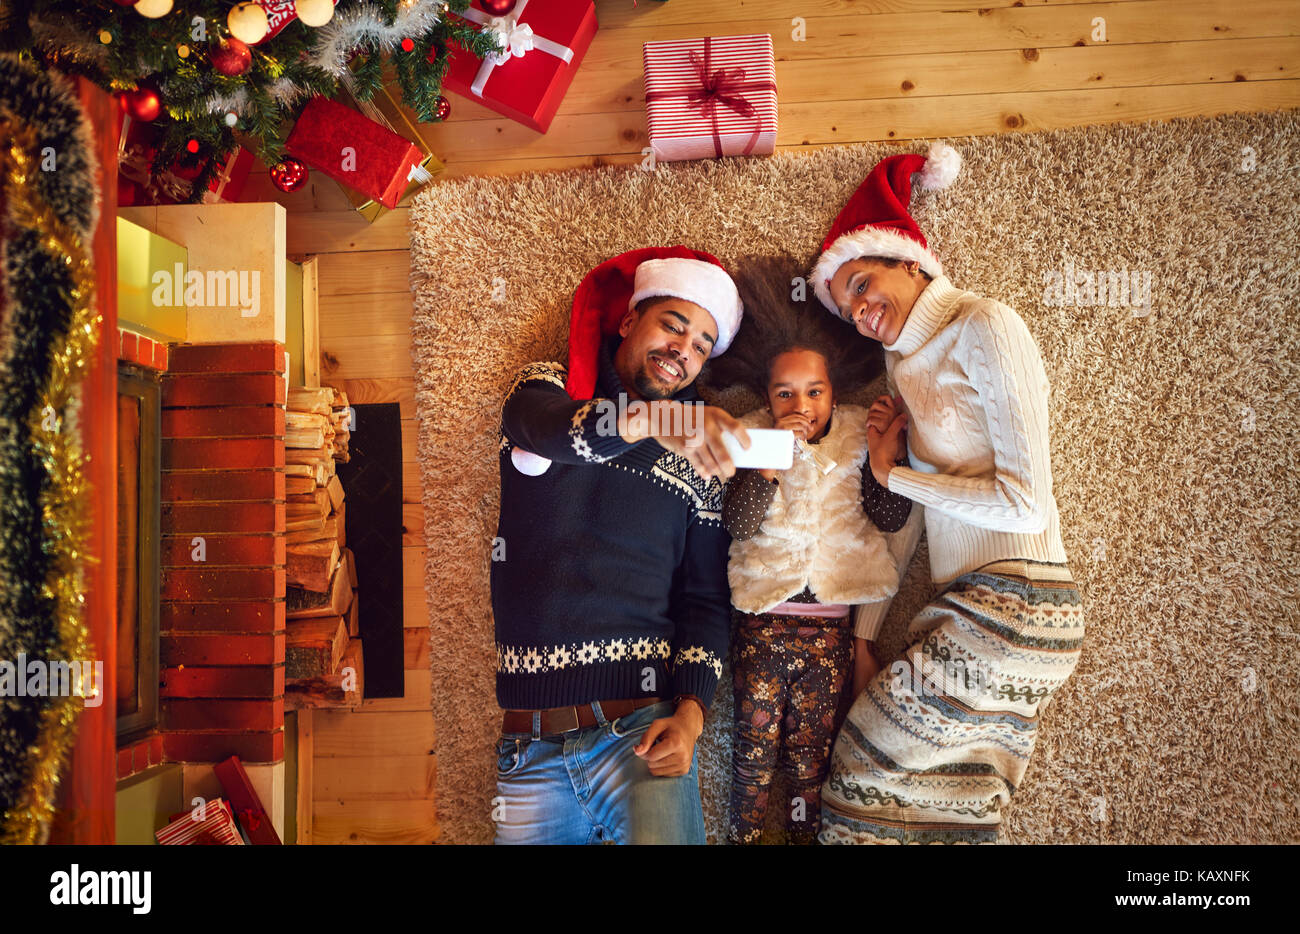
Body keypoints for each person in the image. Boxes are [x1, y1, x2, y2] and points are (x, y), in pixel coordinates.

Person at [810, 143, 1087, 844]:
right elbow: (915, 519)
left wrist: (895, 474)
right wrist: (864, 637)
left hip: (1018, 602)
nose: (862, 310)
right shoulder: (904, 376)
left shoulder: (985, 325)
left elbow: (1025, 502)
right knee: (957, 813)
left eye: (865, 283)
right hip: (967, 607)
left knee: (857, 776)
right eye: (849, 308)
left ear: (912, 261)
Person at [490, 246, 750, 845]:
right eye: (673, 326)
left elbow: (705, 601)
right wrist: (664, 421)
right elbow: (545, 429)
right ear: (630, 321)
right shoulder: (550, 387)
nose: (684, 351)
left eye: (702, 346)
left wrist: (692, 714)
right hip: (528, 746)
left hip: (641, 732)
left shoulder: (697, 461)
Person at [703, 257, 924, 844]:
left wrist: (882, 463)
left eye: (815, 391)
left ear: (835, 391)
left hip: (830, 629)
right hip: (763, 622)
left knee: (812, 761)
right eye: (785, 392)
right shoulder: (754, 435)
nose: (801, 404)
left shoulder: (858, 432)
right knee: (751, 755)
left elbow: (891, 518)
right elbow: (740, 526)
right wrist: (769, 467)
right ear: (767, 397)